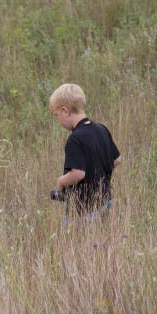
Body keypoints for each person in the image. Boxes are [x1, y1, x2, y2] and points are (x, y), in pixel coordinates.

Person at [49, 83, 122, 224]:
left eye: (57, 115)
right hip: (106, 202)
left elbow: (78, 173)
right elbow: (117, 159)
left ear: (65, 111)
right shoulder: (101, 129)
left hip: (84, 210)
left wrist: (60, 182)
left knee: (75, 242)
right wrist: (100, 171)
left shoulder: (75, 139)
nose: (58, 120)